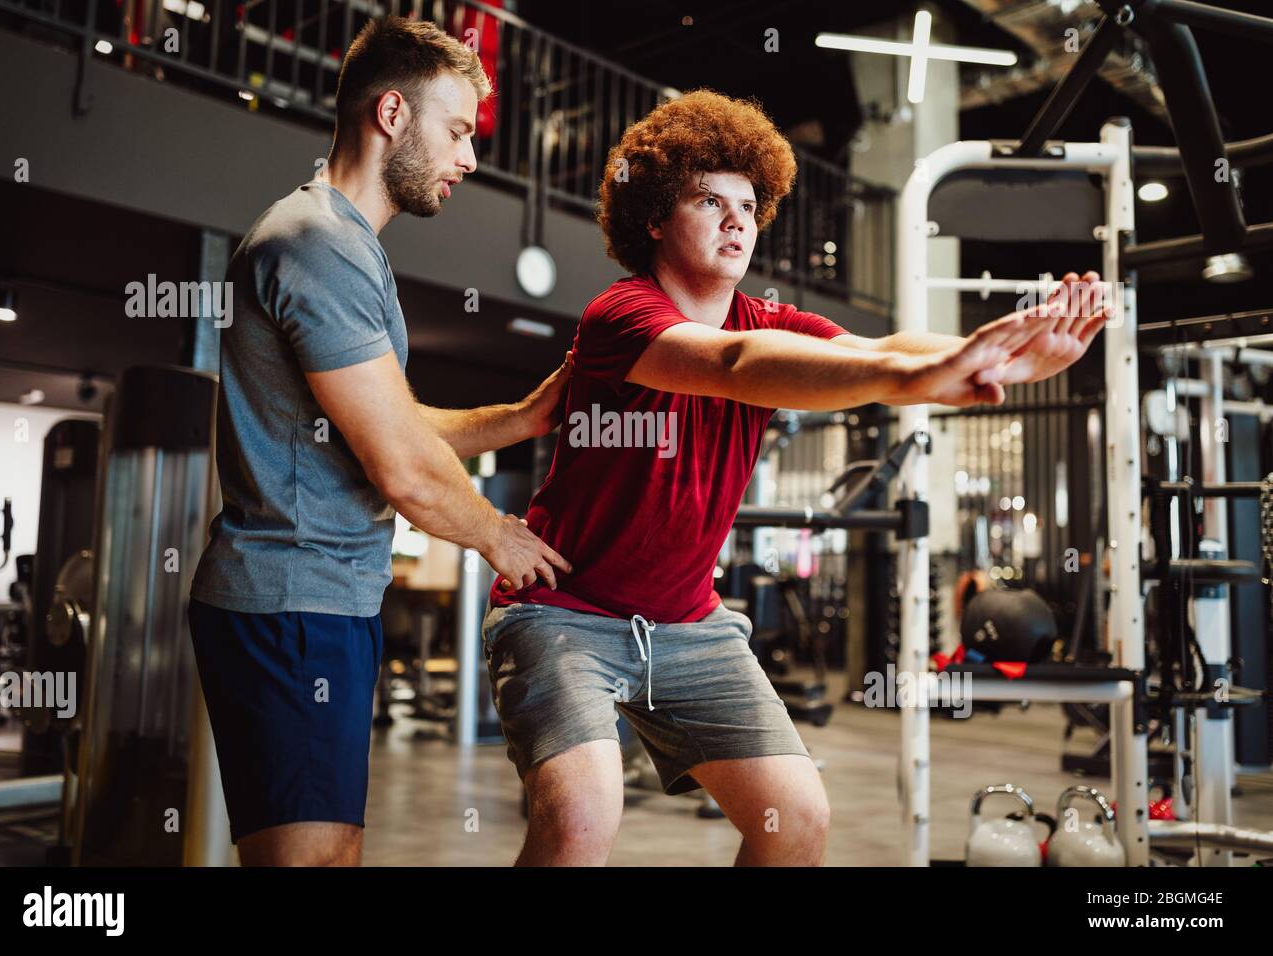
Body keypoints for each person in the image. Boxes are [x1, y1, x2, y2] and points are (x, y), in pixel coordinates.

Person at [482, 89, 1110, 866]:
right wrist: (927, 377)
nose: (736, 220)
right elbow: (735, 368)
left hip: (687, 623)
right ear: (652, 220)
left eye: (748, 205)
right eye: (708, 201)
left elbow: (870, 348)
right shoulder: (622, 316)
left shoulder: (771, 320)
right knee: (580, 820)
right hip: (562, 614)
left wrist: (1001, 357)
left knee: (798, 817)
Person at [188, 16, 571, 866]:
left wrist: (525, 415)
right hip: (292, 598)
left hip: (324, 600)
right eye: (459, 131)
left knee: (332, 851)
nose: (470, 159)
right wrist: (502, 538)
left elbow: (392, 424)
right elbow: (401, 468)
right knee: (313, 859)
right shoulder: (315, 243)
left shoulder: (348, 244)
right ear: (392, 114)